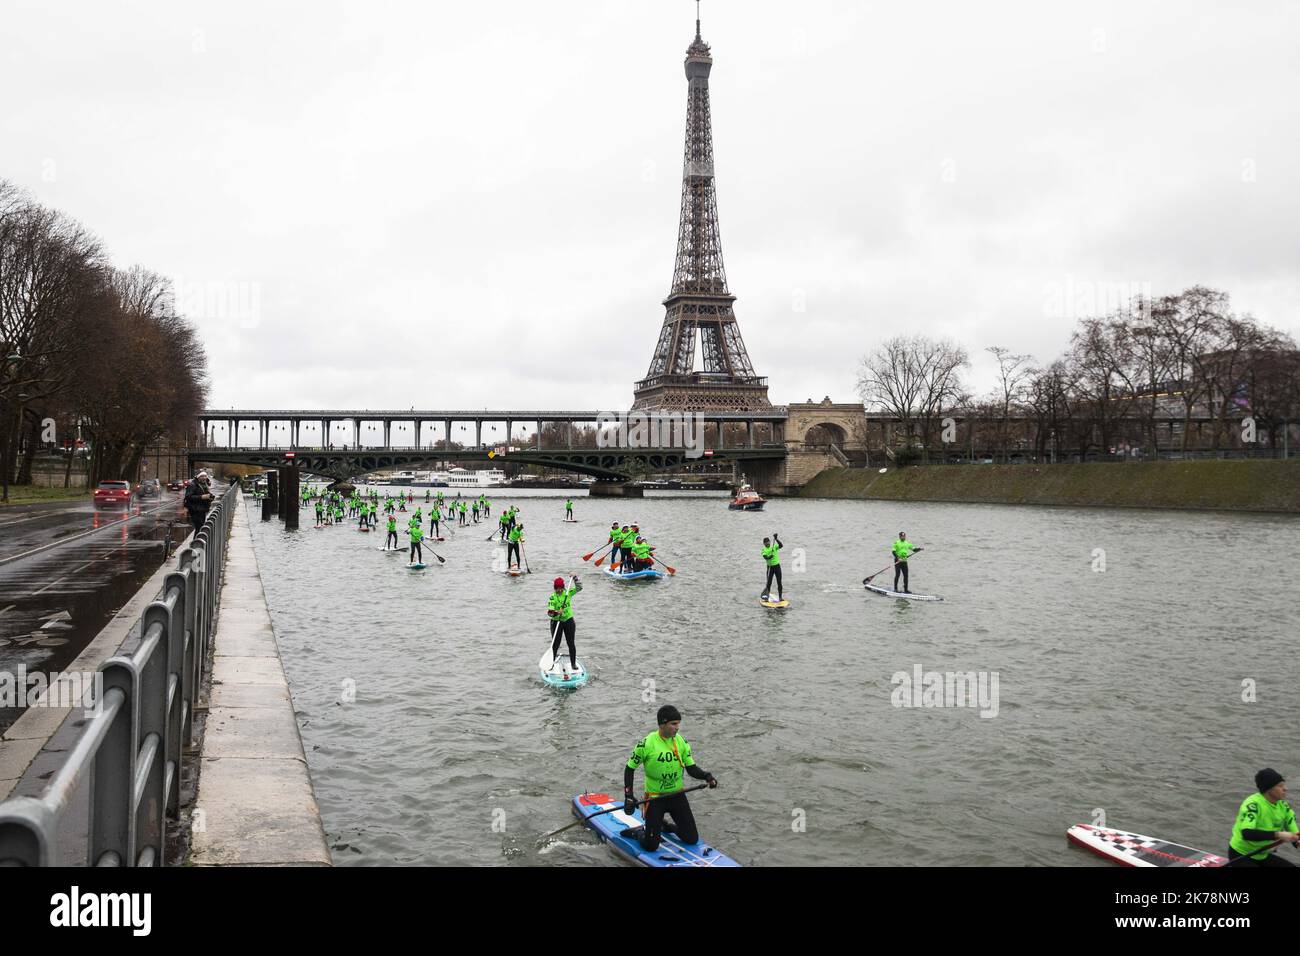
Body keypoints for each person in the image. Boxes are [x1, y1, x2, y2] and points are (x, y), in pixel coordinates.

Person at [621, 705, 718, 850]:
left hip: (677, 795)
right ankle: (639, 832)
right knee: (651, 846)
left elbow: (691, 768)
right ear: (662, 724)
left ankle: (667, 827)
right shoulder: (647, 744)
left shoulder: (681, 742)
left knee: (691, 839)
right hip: (655, 799)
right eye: (673, 724)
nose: (677, 727)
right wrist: (629, 795)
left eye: (678, 723)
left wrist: (707, 776)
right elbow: (629, 768)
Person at [1228, 769, 1298, 866]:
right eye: (1280, 786)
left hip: (1262, 855)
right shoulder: (1253, 805)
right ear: (1269, 789)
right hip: (1240, 854)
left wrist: (1298, 844)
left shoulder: (1283, 807)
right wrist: (1279, 835)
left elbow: (1295, 834)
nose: (1285, 789)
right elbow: (1246, 833)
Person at [546, 574, 583, 674]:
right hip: (556, 622)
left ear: (563, 587)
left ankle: (573, 664)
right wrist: (557, 612)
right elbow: (549, 613)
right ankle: (551, 664)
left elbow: (580, 587)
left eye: (560, 588)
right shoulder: (552, 597)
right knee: (555, 644)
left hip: (568, 621)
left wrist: (575, 578)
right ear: (554, 588)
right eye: (557, 588)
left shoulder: (568, 593)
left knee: (571, 643)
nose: (559, 590)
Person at [183, 470, 214, 535]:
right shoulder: (193, 485)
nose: (204, 478)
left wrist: (210, 497)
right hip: (195, 509)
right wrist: (201, 497)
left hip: (202, 509)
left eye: (205, 476)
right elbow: (188, 497)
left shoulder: (204, 485)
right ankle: (196, 543)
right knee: (199, 528)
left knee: (200, 527)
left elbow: (206, 495)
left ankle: (197, 543)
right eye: (202, 476)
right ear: (198, 477)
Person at [761, 533, 783, 601]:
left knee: (779, 582)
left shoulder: (774, 546)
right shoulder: (764, 549)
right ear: (764, 544)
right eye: (766, 543)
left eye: (768, 542)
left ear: (770, 542)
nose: (767, 543)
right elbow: (765, 557)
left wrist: (776, 539)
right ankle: (766, 598)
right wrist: (769, 557)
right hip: (770, 568)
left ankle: (780, 597)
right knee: (769, 583)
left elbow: (781, 545)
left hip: (777, 567)